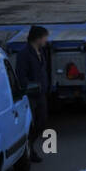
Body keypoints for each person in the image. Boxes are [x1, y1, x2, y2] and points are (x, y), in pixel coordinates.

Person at [15, 25, 51, 162]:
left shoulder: (41, 51)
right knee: (32, 124)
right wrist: (31, 87)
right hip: (31, 95)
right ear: (38, 38)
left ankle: (29, 147)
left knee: (42, 122)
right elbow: (21, 75)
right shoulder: (24, 54)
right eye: (44, 37)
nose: (46, 40)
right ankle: (27, 150)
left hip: (41, 94)